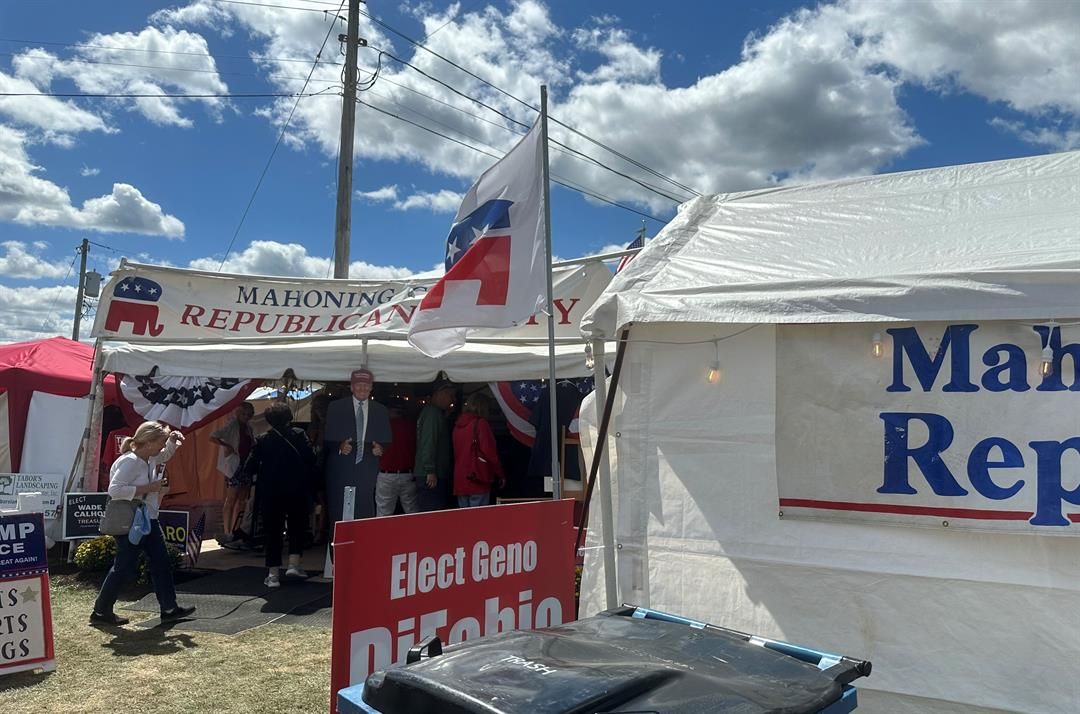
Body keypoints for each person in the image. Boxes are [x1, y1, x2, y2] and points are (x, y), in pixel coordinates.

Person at [90, 421, 196, 626]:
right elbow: (115, 490)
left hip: (147, 519)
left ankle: (169, 608)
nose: (161, 447)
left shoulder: (147, 458)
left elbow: (164, 455)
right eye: (161, 442)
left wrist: (172, 442)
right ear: (148, 442)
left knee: (161, 563)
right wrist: (150, 487)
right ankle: (101, 611)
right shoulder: (130, 461)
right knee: (124, 567)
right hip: (131, 522)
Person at [241, 402, 317, 588]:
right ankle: (293, 564)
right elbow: (311, 459)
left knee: (272, 531)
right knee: (296, 527)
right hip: (296, 490)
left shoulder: (262, 439)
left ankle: (273, 574)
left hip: (270, 492)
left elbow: (248, 467)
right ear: (289, 417)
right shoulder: (299, 435)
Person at [322, 369, 392, 524]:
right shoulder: (336, 407)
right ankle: (338, 546)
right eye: (358, 385)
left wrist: (381, 448)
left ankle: (364, 546)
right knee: (339, 512)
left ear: (371, 387)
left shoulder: (380, 410)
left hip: (367, 468)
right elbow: (327, 436)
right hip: (341, 467)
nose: (362, 388)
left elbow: (387, 439)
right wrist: (339, 446)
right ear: (352, 387)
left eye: (366, 385)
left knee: (364, 511)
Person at [210, 402, 256, 543]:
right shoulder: (232, 425)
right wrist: (227, 445)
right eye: (244, 414)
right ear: (238, 413)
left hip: (245, 466)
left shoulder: (248, 428)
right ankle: (227, 530)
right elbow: (213, 436)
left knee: (242, 500)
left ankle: (236, 530)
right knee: (231, 499)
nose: (246, 417)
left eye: (249, 414)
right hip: (234, 466)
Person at [453, 392, 505, 508]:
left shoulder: (457, 426)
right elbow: (490, 453)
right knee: (479, 521)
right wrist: (500, 474)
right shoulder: (481, 424)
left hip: (460, 480)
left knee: (465, 521)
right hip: (477, 478)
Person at [414, 380, 455, 512]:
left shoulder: (434, 413)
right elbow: (428, 441)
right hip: (431, 475)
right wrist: (430, 470)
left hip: (431, 473)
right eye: (450, 395)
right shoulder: (432, 414)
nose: (451, 399)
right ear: (440, 394)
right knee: (431, 513)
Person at [374, 398, 418, 516]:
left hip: (387, 474)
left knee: (384, 513)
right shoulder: (411, 427)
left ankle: (383, 535)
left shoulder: (381, 427)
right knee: (412, 512)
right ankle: (415, 534)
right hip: (408, 474)